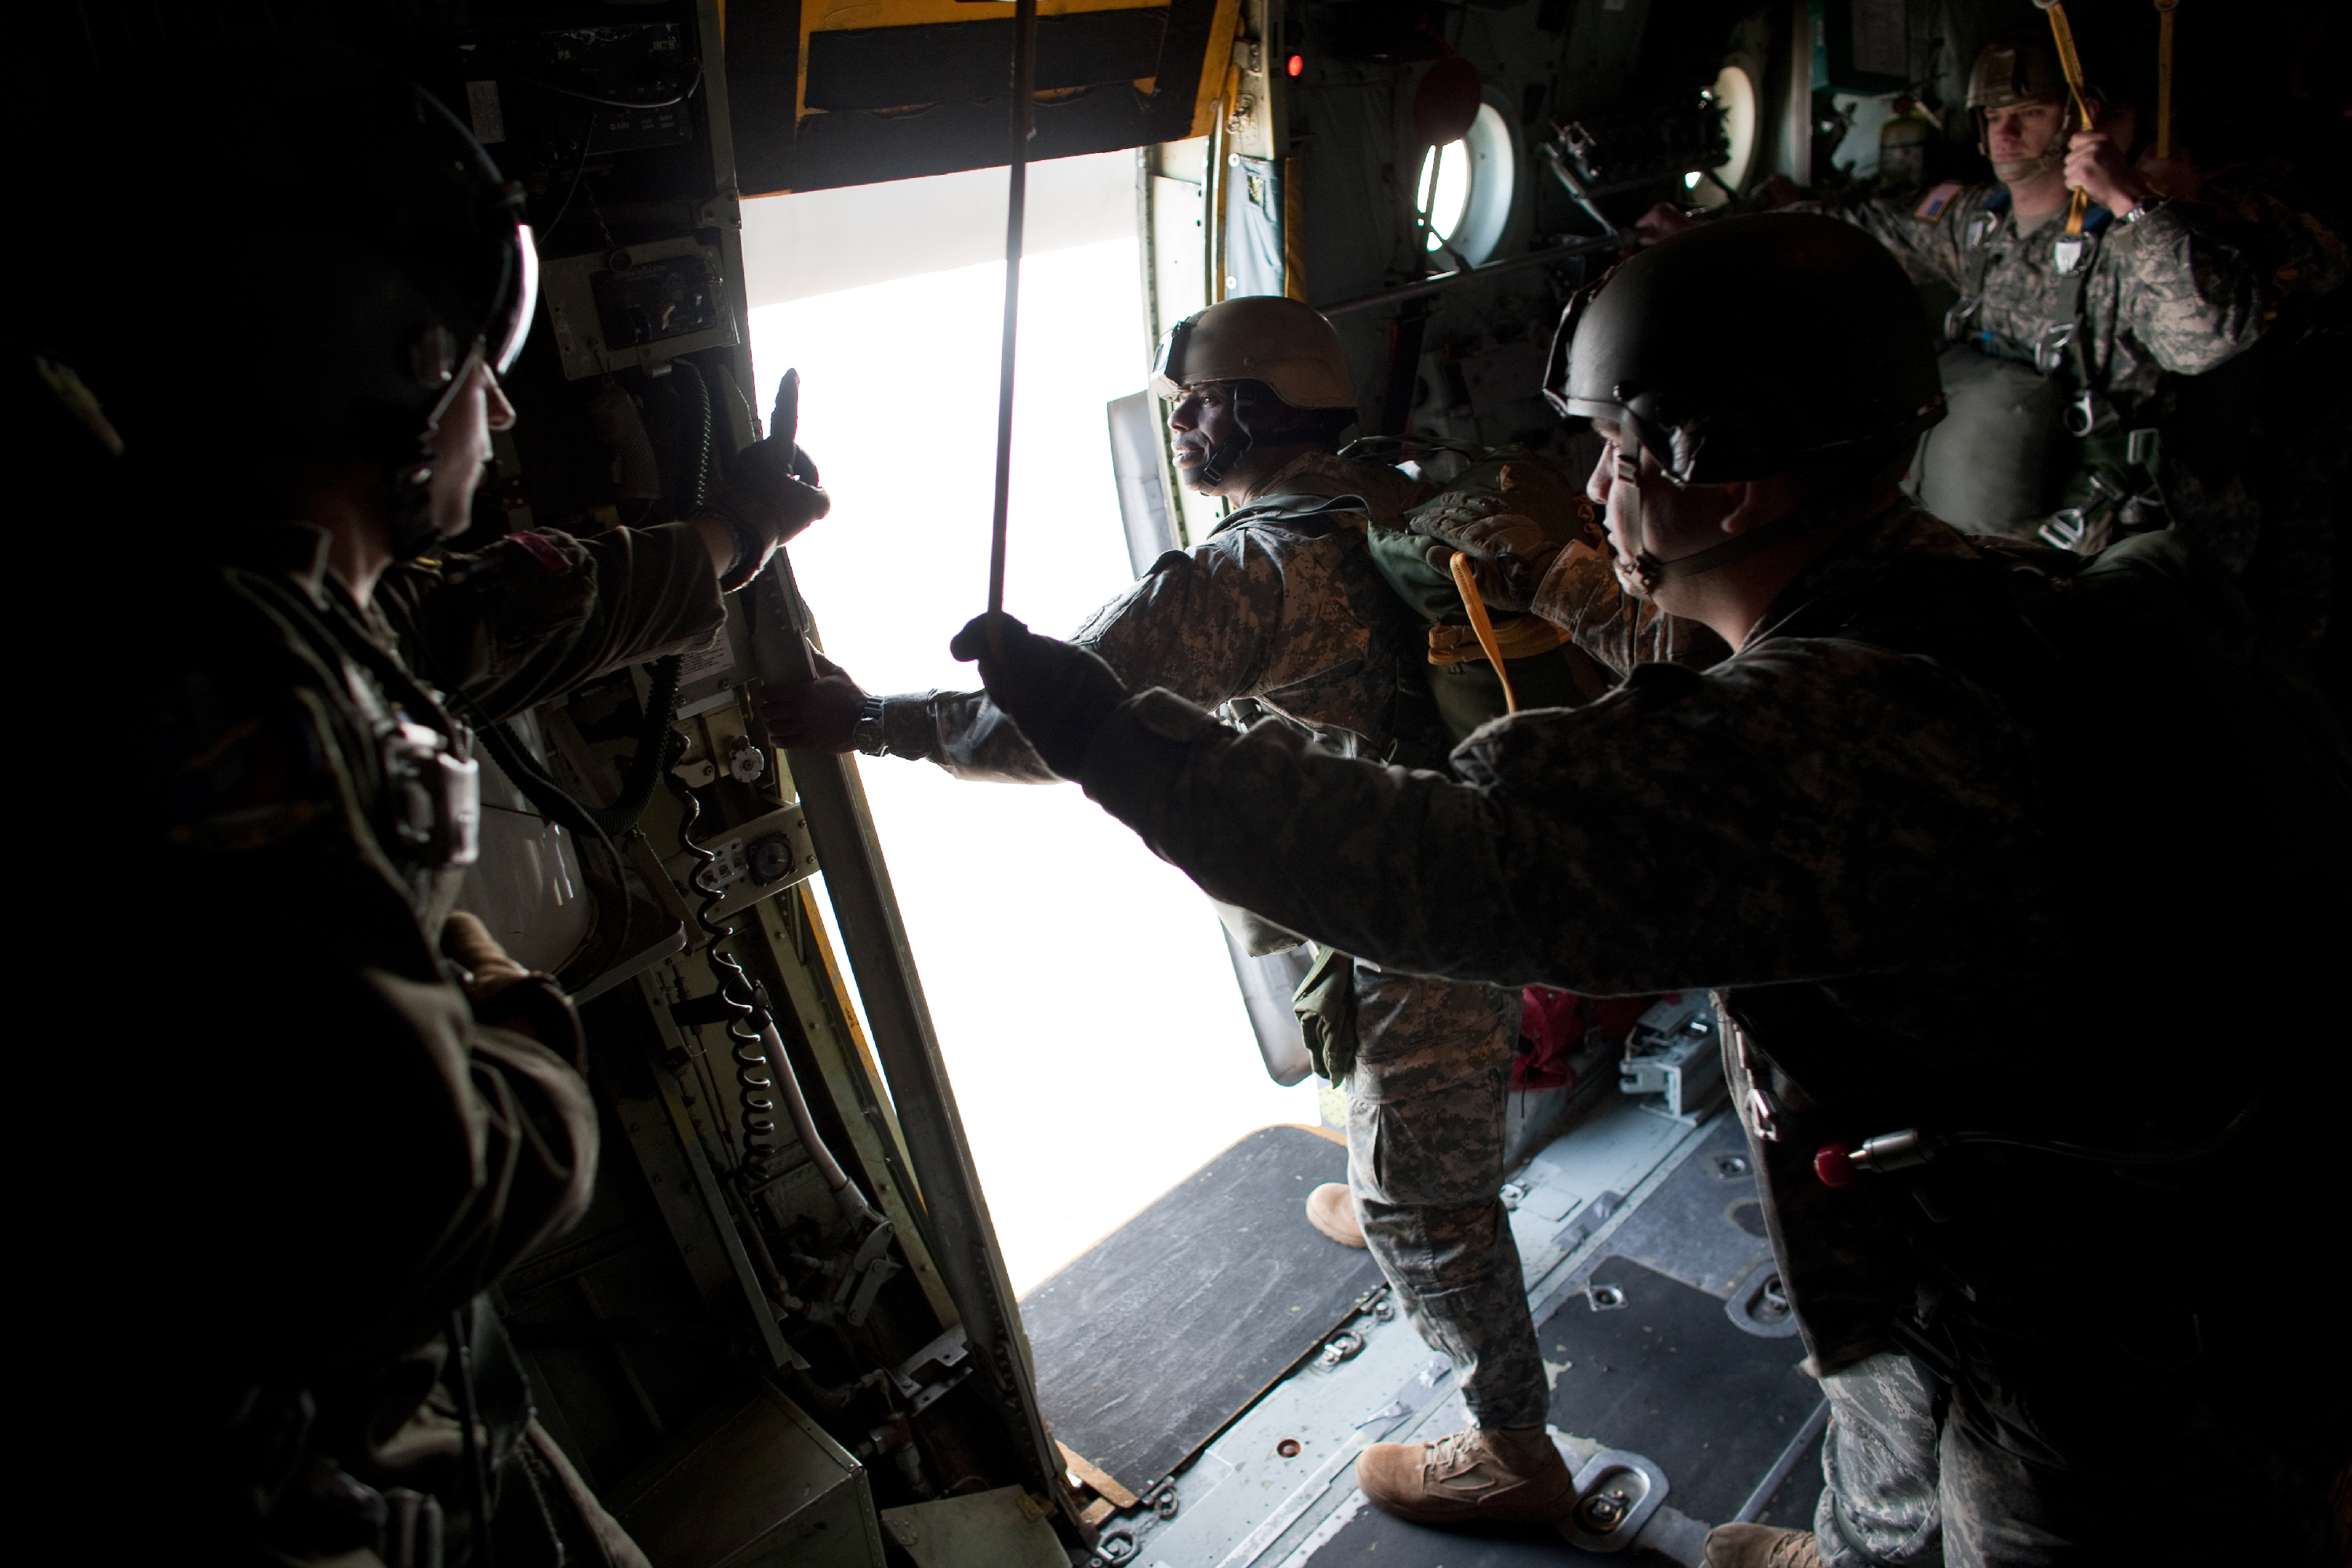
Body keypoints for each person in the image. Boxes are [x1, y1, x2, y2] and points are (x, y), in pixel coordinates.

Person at [945, 215, 2351, 1566]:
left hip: (2094, 1323)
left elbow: (1443, 860)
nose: (1595, 486)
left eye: (1615, 450)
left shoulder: (1836, 738)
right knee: (1889, 1419)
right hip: (1939, 1224)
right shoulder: (1978, 585)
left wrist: (1102, 723)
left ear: (1727, 479)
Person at [39, 42, 827, 1565]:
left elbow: (501, 615)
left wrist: (727, 536)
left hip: (414, 1427)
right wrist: (524, 1023)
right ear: (403, 372)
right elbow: (423, 1193)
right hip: (314, 1490)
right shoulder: (227, 685)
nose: (507, 422)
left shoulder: (284, 599)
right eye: (483, 375)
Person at [763, 296, 1577, 1527]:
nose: (1184, 428)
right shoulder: (1389, 493)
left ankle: (1513, 1441)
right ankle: (1390, 1174)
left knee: (1430, 1189)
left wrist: (872, 719)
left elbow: (1049, 714)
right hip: (1463, 839)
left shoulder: (1255, 567)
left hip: (1414, 902)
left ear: (1257, 407)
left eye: (1198, 406)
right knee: (1404, 1109)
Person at [1642, 36, 2264, 561]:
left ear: (2081, 117)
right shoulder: (1978, 222)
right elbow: (1856, 229)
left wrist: (2133, 201)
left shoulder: (2137, 234)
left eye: (2029, 112)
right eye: (1993, 118)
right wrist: (1711, 234)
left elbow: (2210, 337)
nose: (2007, 133)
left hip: (2108, 542)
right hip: (1991, 529)